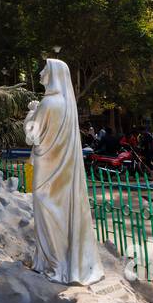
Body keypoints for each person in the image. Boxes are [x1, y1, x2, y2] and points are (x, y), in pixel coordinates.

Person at [24, 59, 104, 285]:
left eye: (44, 71)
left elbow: (32, 136)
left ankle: (55, 264)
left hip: (47, 167)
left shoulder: (48, 103)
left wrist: (31, 115)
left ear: (54, 75)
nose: (40, 74)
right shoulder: (67, 104)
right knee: (62, 211)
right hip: (64, 169)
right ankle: (65, 261)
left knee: (46, 208)